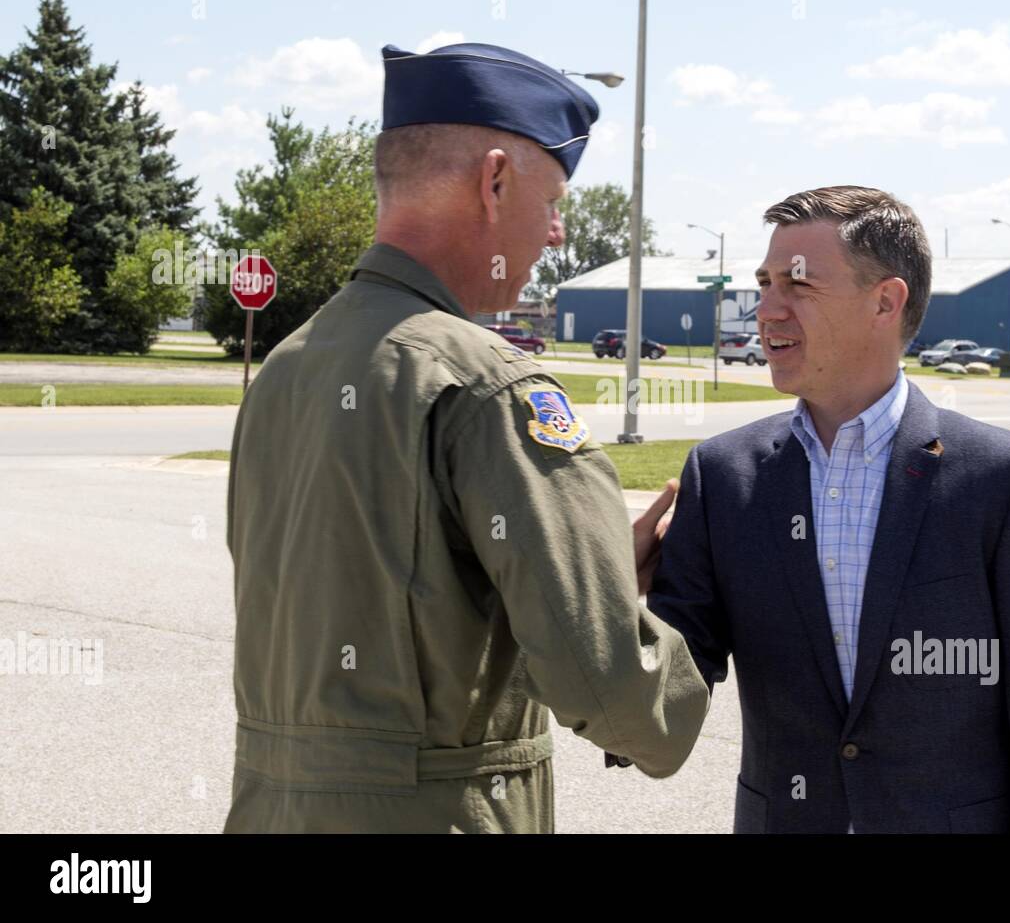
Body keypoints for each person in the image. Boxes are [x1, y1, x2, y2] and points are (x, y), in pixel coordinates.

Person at [223, 42, 708, 833]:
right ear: (493, 182)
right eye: (555, 202)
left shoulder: (289, 365)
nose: (557, 235)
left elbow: (376, 597)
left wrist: (582, 570)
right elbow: (614, 696)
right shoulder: (490, 386)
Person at [648, 186, 1010, 833]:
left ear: (885, 302)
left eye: (798, 284)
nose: (767, 310)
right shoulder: (722, 478)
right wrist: (606, 595)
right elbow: (655, 712)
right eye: (765, 283)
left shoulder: (1009, 483)